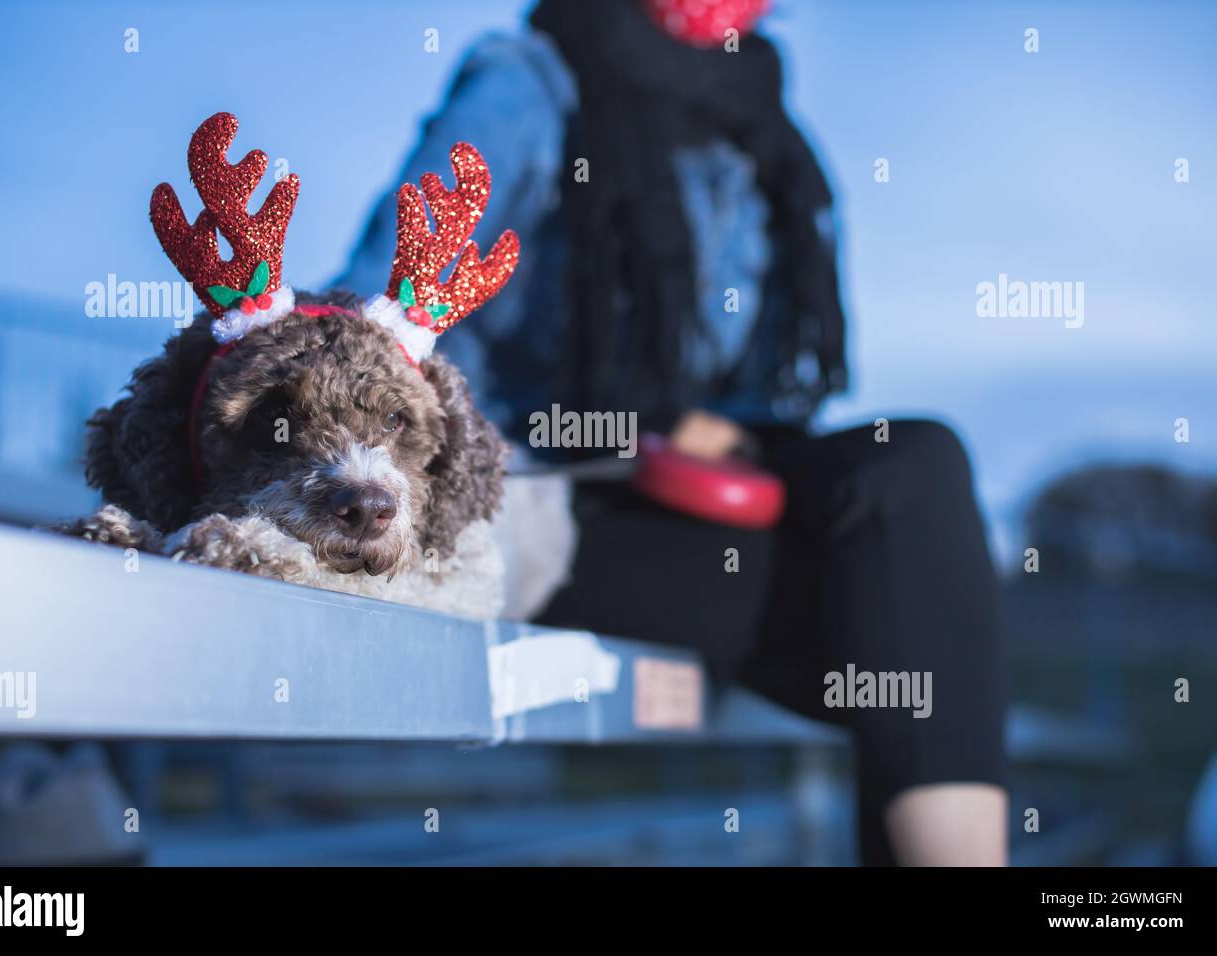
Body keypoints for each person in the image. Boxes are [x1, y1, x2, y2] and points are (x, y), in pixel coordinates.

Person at [335, 0, 1007, 866]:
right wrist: (633, 429)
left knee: (915, 472)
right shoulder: (531, 84)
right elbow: (378, 328)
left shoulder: (761, 123)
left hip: (691, 495)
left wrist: (702, 434)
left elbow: (758, 396)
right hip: (548, 498)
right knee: (899, 623)